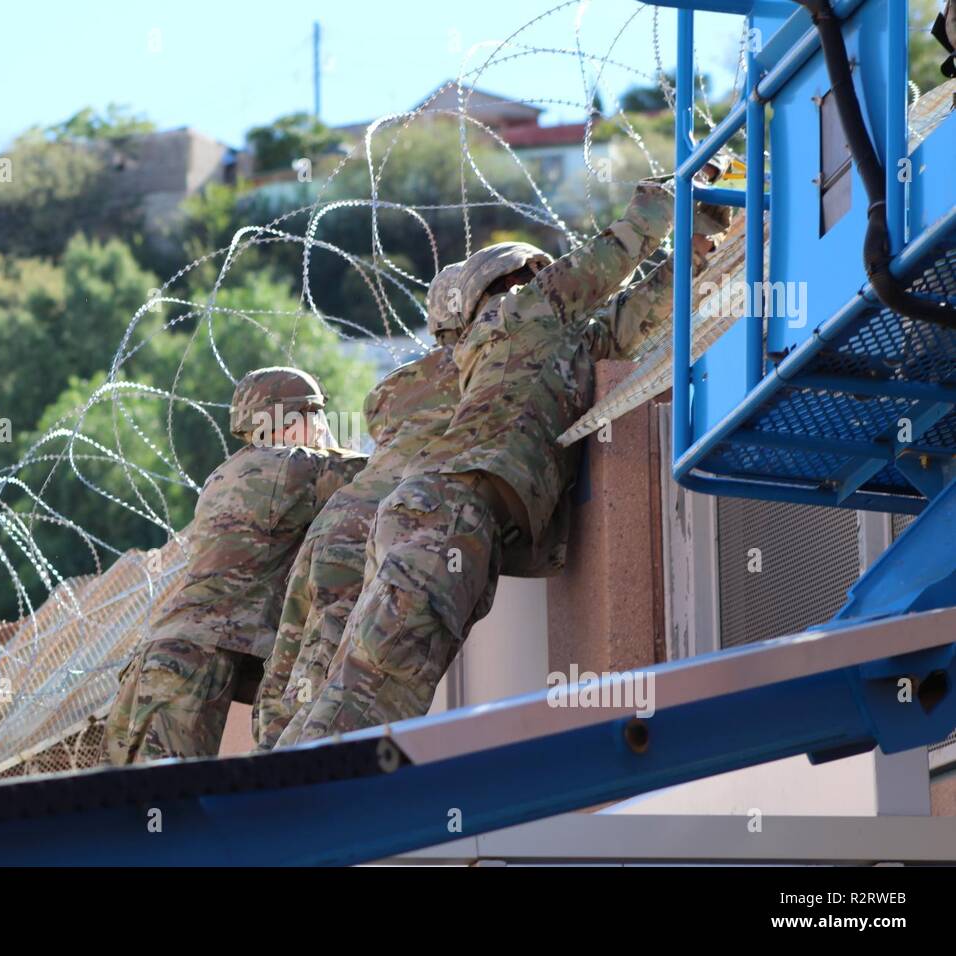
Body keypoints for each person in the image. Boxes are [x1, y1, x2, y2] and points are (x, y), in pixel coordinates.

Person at [290, 179, 731, 742]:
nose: (540, 284)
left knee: (372, 681)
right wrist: (672, 193)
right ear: (500, 291)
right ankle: (291, 805)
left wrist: (700, 242)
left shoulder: (557, 347)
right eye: (530, 276)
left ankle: (285, 793)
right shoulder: (517, 314)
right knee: (378, 685)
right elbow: (615, 253)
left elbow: (638, 314)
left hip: (452, 519)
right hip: (446, 513)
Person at [253, 249, 548, 750]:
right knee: (361, 685)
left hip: (340, 521)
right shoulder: (492, 353)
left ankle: (265, 778)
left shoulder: (398, 385)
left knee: (303, 679)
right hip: (396, 523)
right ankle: (303, 796)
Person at [97, 367, 366, 764]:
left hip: (164, 652)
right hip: (194, 658)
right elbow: (381, 475)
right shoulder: (298, 467)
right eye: (317, 416)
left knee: (128, 805)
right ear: (296, 419)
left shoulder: (224, 475)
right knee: (170, 803)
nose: (324, 427)